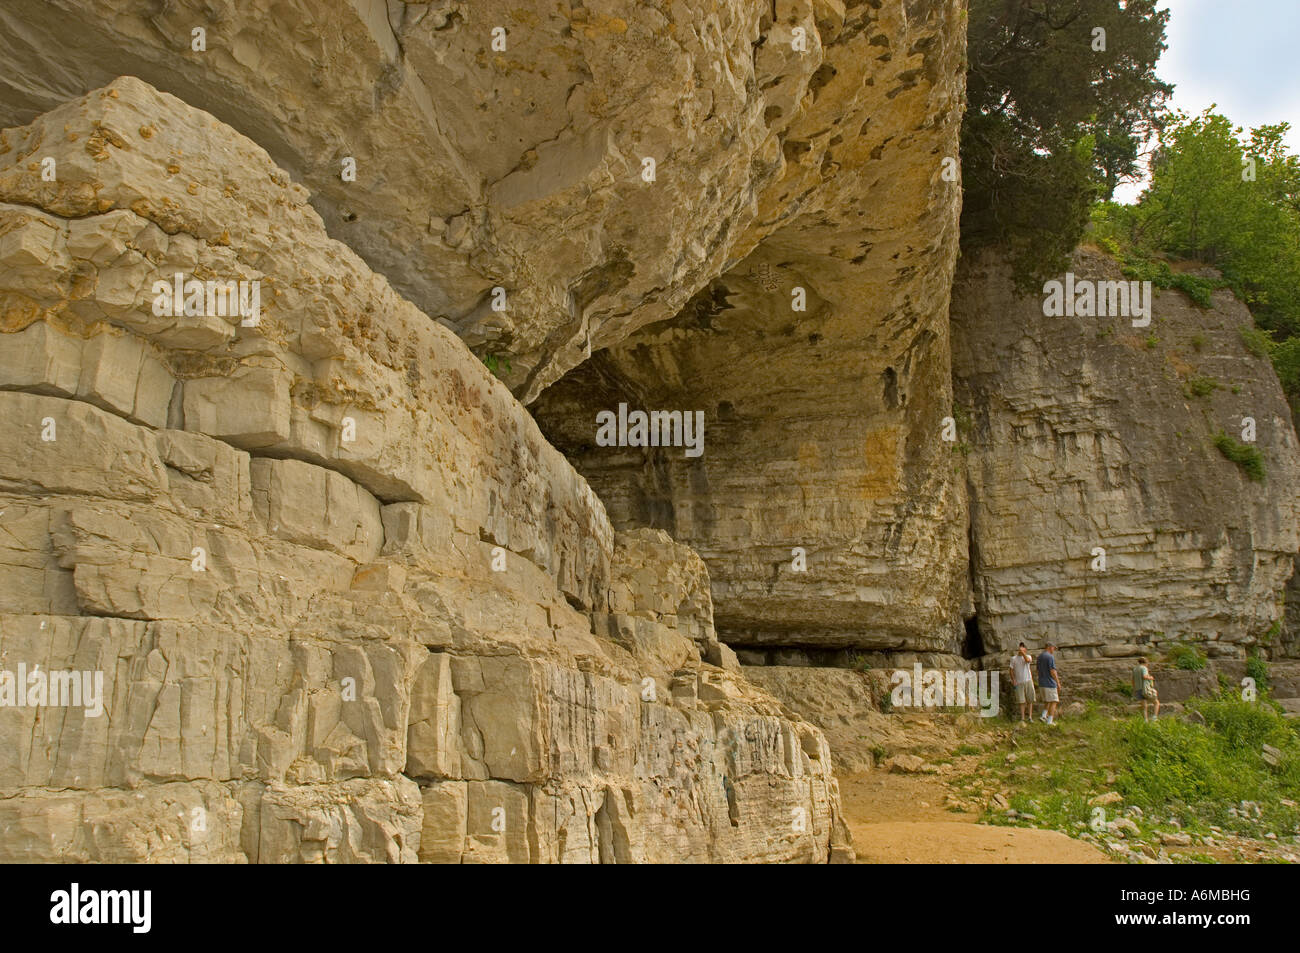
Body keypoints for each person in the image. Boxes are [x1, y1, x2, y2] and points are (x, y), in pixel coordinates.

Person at [1008, 642, 1036, 722]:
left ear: (1025, 649)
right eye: (1020, 648)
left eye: (1023, 648)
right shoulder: (1013, 658)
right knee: (1021, 700)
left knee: (1030, 699)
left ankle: (1030, 717)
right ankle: (1022, 718)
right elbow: (1011, 670)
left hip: (1028, 680)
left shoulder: (1028, 656)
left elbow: (1027, 661)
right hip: (1019, 682)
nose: (1020, 649)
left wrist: (1023, 653)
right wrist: (1013, 680)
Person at [1036, 644, 1061, 724]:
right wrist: (1058, 682)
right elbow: (1052, 671)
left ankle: (1043, 716)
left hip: (1041, 682)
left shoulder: (1039, 657)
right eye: (1054, 648)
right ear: (1050, 647)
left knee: (1047, 700)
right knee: (1054, 701)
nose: (1054, 650)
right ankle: (1050, 721)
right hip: (1049, 683)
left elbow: (1037, 670)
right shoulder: (1050, 657)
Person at [1132, 656, 1160, 721]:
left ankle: (1145, 720)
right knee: (1156, 702)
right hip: (1145, 688)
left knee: (1144, 706)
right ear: (1146, 662)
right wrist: (1151, 678)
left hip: (1138, 689)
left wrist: (1134, 688)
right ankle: (1154, 717)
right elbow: (1144, 676)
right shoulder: (1144, 668)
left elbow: (1133, 680)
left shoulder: (1135, 669)